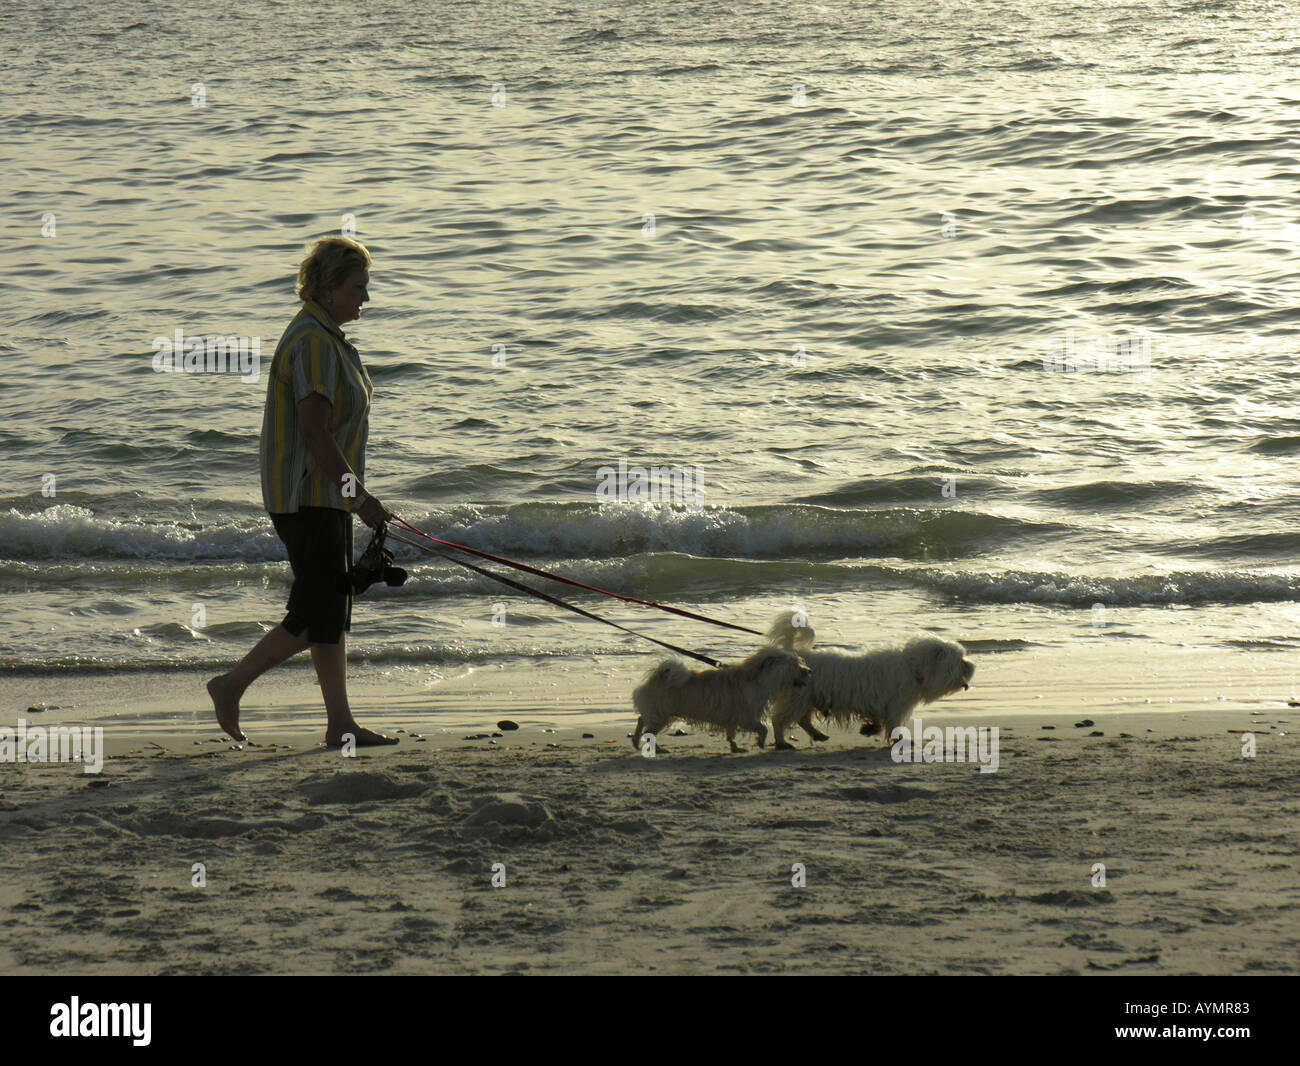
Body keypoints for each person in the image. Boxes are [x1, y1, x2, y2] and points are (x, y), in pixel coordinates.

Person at [207, 236, 399, 747]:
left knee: (329, 609)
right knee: (317, 612)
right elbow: (315, 433)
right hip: (306, 495)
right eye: (358, 287)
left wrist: (351, 496)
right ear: (330, 287)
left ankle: (340, 724)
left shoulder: (327, 336)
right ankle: (230, 685)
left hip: (324, 495)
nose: (365, 298)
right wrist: (360, 498)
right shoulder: (313, 341)